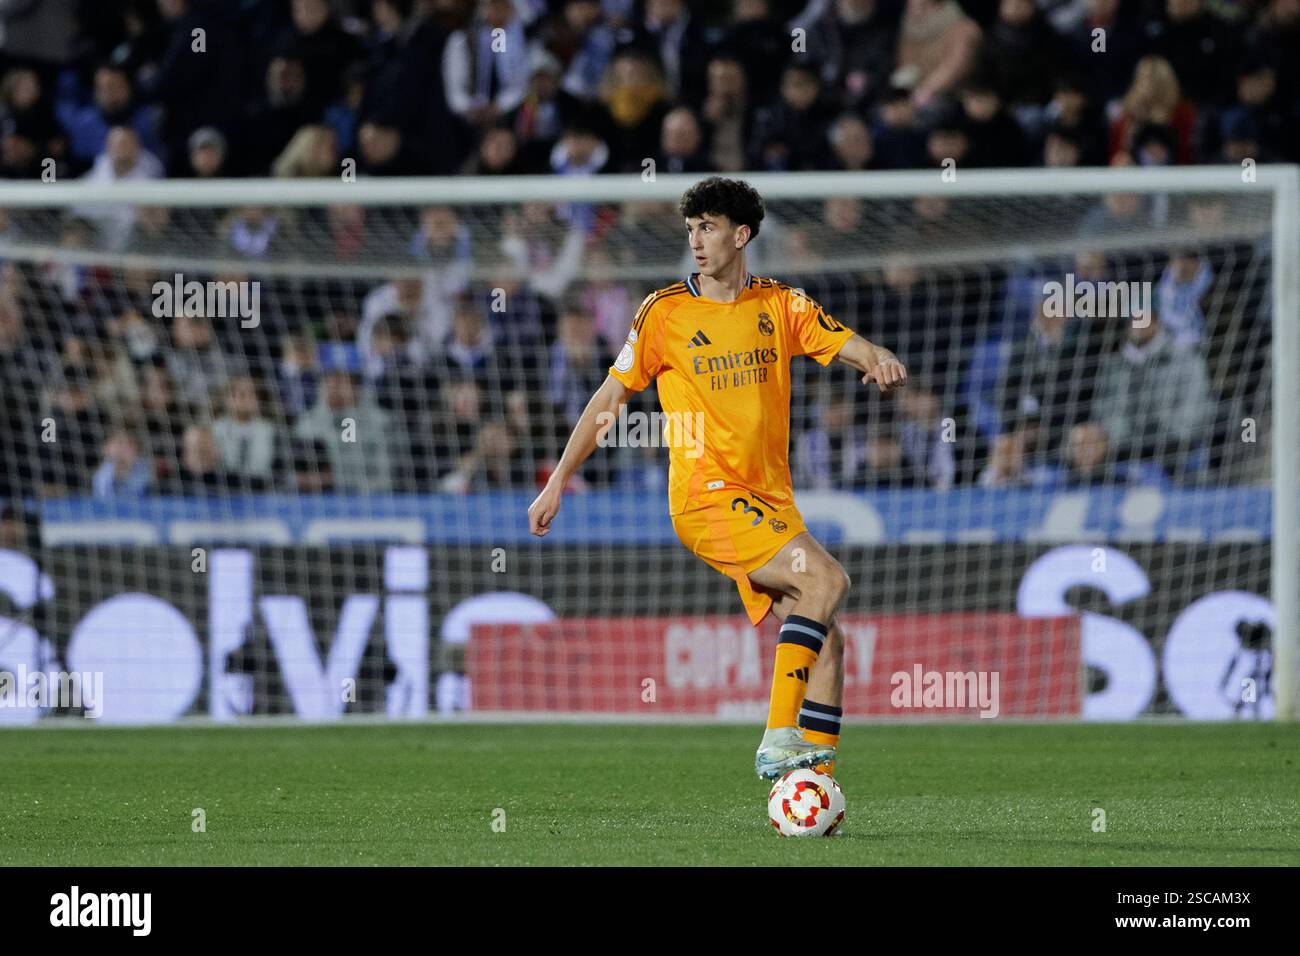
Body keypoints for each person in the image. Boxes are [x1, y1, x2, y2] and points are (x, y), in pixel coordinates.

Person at [527, 177, 907, 781]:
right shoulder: (664, 312)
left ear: (741, 234)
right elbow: (609, 399)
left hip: (771, 503)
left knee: (830, 643)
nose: (696, 241)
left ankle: (812, 788)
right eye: (691, 229)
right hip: (706, 499)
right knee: (827, 579)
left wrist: (879, 357)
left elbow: (843, 342)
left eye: (707, 227)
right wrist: (557, 482)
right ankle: (778, 735)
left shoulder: (780, 304)